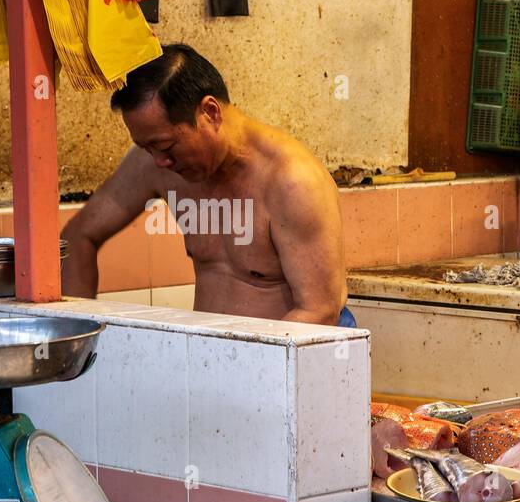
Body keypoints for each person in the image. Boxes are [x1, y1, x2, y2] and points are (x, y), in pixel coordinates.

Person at [62, 44, 352, 326]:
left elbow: (320, 312)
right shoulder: (154, 163)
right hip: (214, 357)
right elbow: (77, 237)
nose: (159, 161)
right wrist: (79, 338)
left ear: (210, 112)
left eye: (165, 145)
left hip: (288, 360)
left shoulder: (292, 181)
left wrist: (251, 368)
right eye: (147, 148)